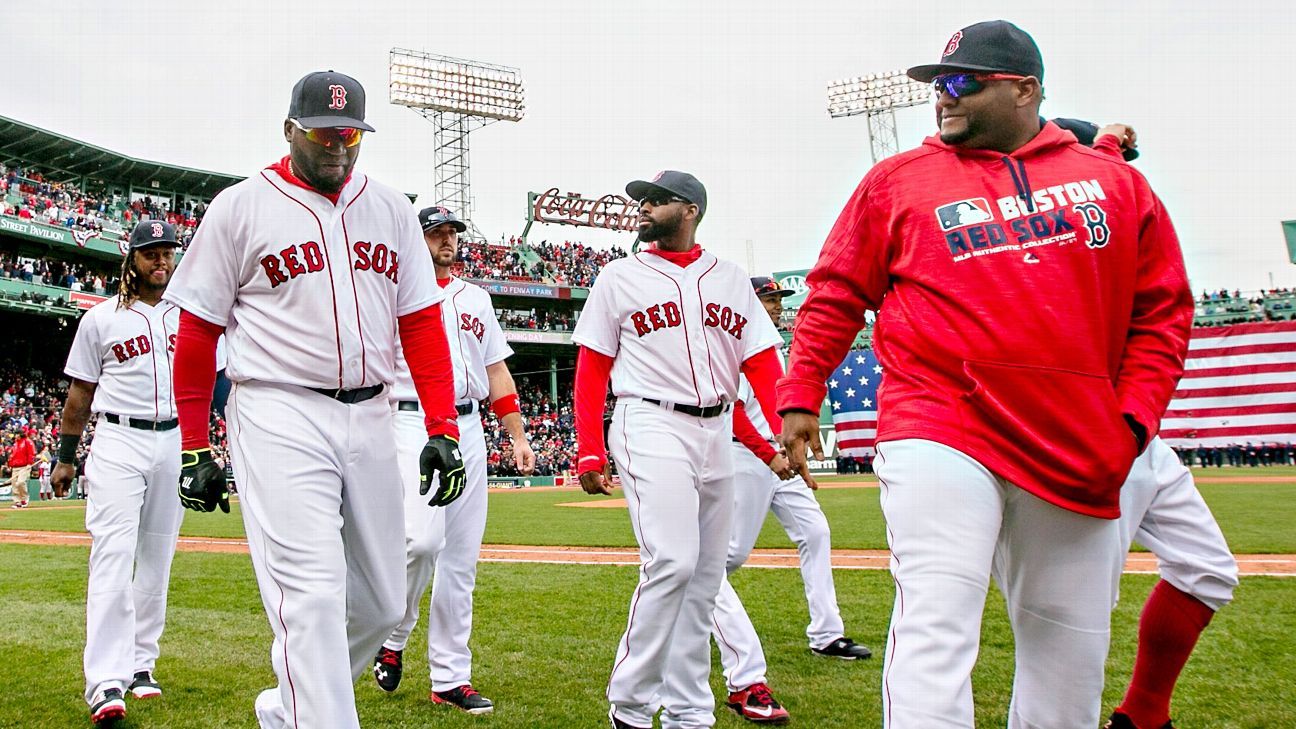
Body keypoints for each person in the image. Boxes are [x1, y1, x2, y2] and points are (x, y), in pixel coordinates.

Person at [776, 21, 1193, 728]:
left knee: (1069, 655)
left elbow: (1162, 311)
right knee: (936, 616)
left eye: (963, 81)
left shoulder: (1116, 183)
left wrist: (1132, 419)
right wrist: (801, 393)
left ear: (1024, 89)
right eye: (939, 83)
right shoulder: (896, 180)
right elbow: (836, 291)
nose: (944, 95)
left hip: (1078, 441)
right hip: (940, 423)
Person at [161, 70, 466, 729]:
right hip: (278, 409)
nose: (337, 146)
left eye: (349, 135)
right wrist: (194, 443)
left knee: (383, 604)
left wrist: (443, 424)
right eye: (324, 134)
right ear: (289, 130)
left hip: (373, 410)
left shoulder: (390, 208)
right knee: (313, 600)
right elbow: (198, 331)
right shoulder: (240, 207)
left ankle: (287, 708)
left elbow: (420, 321)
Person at [573, 170, 794, 729]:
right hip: (649, 420)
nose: (643, 207)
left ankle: (690, 710)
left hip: (717, 429)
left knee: (705, 578)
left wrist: (783, 429)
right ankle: (630, 704)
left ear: (690, 209)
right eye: (641, 200)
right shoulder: (619, 276)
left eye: (656, 200)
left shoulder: (731, 278)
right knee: (672, 560)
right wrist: (589, 449)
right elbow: (592, 368)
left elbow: (761, 362)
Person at [1066, 120, 1240, 729]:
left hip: (1139, 434)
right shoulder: (1061, 215)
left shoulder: (1112, 214)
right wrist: (1108, 145)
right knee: (1076, 620)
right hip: (1088, 430)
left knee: (1206, 570)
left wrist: (1110, 149)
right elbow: (1090, 189)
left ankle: (1143, 717)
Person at [371, 206, 536, 714]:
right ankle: (394, 634)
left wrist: (518, 436)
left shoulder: (476, 298)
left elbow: (497, 372)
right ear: (415, 239)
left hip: (468, 425)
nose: (447, 240)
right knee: (422, 542)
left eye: (452, 232)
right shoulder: (392, 293)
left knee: (461, 561)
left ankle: (449, 678)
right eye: (436, 232)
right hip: (410, 418)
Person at [715, 276, 870, 725]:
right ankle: (692, 599)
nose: (777, 305)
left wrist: (785, 452)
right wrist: (767, 456)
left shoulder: (775, 347)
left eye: (780, 298)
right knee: (728, 555)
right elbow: (732, 413)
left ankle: (826, 634)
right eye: (769, 299)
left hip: (781, 455)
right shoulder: (735, 341)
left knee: (816, 532)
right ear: (750, 302)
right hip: (747, 456)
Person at [52, 220, 187, 726]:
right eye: (151, 252)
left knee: (157, 557)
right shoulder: (101, 318)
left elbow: (209, 382)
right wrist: (66, 455)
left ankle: (140, 663)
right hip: (118, 437)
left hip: (173, 439)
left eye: (167, 252)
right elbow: (80, 394)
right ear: (132, 259)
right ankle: (106, 679)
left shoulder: (188, 316)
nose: (161, 260)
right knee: (112, 554)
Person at [6, 428, 34, 508]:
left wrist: (29, 463)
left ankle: (24, 499)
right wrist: (10, 465)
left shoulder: (27, 442)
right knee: (14, 485)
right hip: (15, 467)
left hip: (24, 466)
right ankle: (17, 501)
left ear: (20, 434)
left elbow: (31, 453)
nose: (15, 436)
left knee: (20, 482)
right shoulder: (15, 444)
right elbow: (13, 456)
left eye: (16, 434)